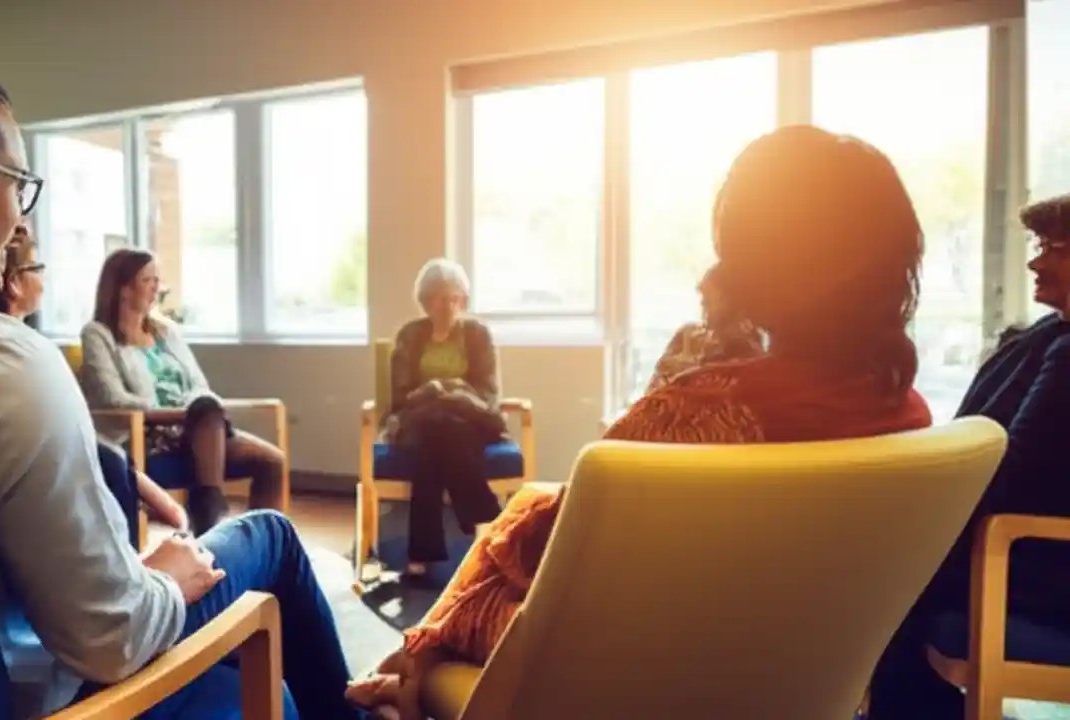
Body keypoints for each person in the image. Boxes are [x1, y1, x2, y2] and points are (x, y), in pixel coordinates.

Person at [0, 41, 360, 720]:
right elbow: (109, 640)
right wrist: (164, 582)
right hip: (34, 702)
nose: (20, 221)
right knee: (270, 541)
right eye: (15, 183)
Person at [348, 125, 932, 718]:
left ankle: (414, 661)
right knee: (527, 502)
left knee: (520, 527)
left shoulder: (700, 411)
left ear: (750, 259)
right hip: (803, 669)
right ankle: (413, 659)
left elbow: (563, 549)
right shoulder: (910, 417)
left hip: (639, 665)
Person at [867, 192, 1070, 719]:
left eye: (1054, 247)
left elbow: (1012, 470)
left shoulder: (1068, 352)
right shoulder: (1052, 335)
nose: (1035, 260)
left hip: (1035, 569)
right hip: (1014, 549)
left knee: (877, 586)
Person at [0, 227, 189, 539]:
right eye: (38, 268)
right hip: (42, 474)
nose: (44, 278)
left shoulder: (22, 344)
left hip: (82, 458)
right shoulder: (24, 352)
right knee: (113, 466)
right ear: (14, 283)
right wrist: (147, 486)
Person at [79, 249, 288, 535]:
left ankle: (258, 543)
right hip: (147, 434)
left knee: (271, 461)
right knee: (203, 411)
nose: (156, 287)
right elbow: (111, 398)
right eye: (147, 280)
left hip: (198, 427)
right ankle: (210, 517)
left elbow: (199, 384)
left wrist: (192, 413)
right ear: (124, 288)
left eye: (157, 279)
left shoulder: (166, 331)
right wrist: (172, 414)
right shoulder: (98, 335)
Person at [384, 258, 506, 579]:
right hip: (419, 420)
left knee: (440, 435)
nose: (450, 305)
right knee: (436, 428)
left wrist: (453, 391)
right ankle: (485, 514)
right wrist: (435, 391)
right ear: (426, 301)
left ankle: (419, 556)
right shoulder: (410, 335)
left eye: (456, 297)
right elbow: (400, 397)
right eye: (441, 297)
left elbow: (488, 393)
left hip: (468, 420)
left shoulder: (477, 334)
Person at [644, 263, 765, 394]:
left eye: (711, 296)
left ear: (733, 300)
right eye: (703, 295)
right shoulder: (686, 336)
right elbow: (652, 390)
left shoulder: (751, 357)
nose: (703, 302)